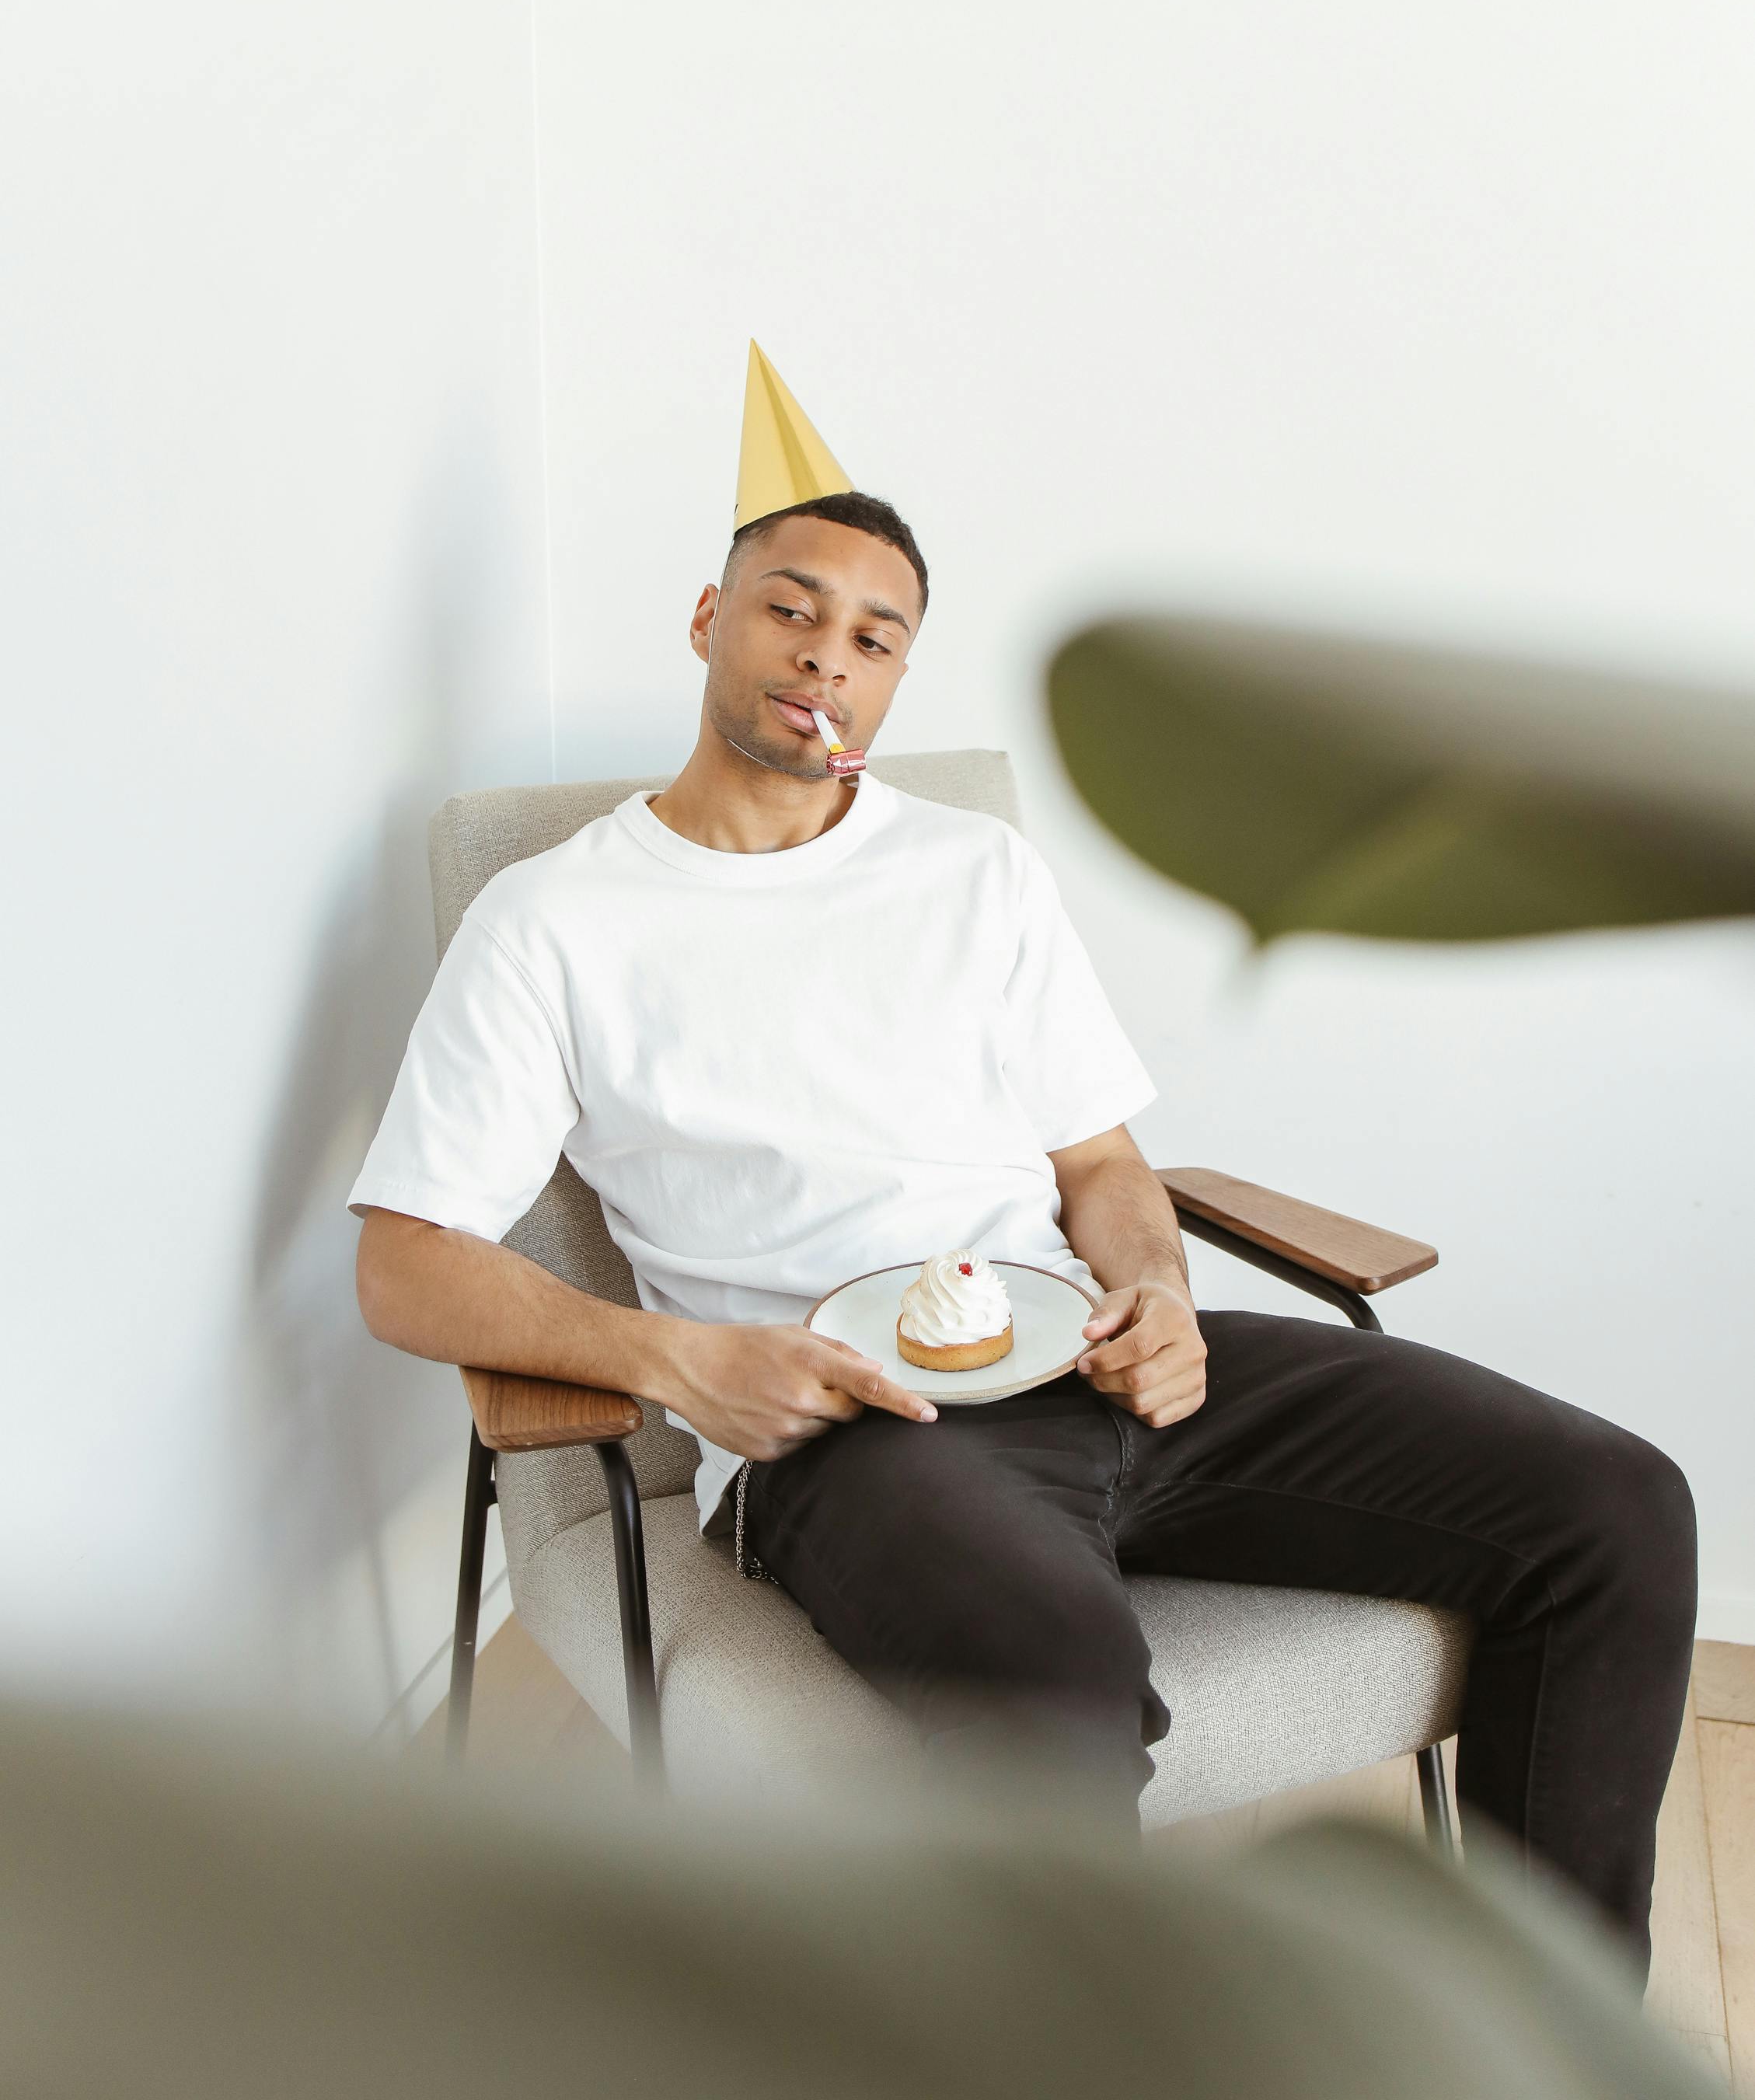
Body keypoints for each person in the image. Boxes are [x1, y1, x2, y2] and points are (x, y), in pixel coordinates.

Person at [351, 343, 1695, 1976]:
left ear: (899, 679)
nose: (825, 659)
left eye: (873, 636)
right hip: (864, 1430)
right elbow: (403, 1261)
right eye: (789, 607)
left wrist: (1157, 1294)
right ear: (709, 621)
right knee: (1060, 1664)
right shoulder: (556, 919)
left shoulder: (971, 871)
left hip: (1093, 1359)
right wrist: (677, 1360)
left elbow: (1107, 1167)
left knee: (1614, 1506)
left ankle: (1548, 2039)